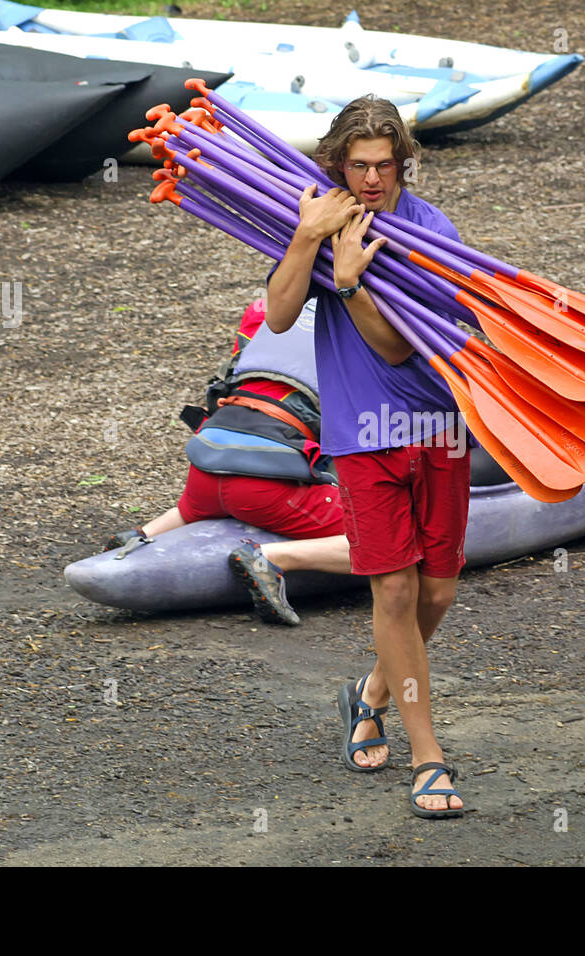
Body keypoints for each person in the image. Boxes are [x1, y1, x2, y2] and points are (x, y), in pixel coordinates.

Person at [265, 95, 469, 818]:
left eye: (386, 165)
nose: (374, 179)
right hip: (363, 433)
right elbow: (280, 315)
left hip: (440, 426)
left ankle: (374, 692)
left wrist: (349, 282)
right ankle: (429, 756)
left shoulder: (433, 234)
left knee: (437, 593)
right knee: (395, 591)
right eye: (360, 166)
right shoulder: (323, 223)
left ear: (403, 162)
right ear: (338, 164)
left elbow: (394, 345)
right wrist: (305, 240)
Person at [106, 297, 351, 625]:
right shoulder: (368, 323)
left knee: (197, 505)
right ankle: (267, 559)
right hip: (266, 482)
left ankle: (142, 535)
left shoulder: (265, 308)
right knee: (385, 541)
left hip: (207, 464)